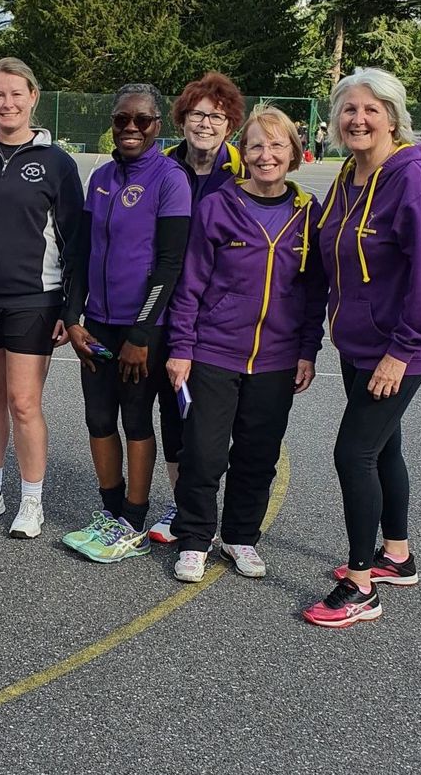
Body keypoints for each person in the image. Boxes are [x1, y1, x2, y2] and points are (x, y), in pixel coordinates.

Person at [303, 67, 421, 628]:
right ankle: (397, 555)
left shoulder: (413, 180)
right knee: (385, 448)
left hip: (399, 346)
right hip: (358, 340)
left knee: (354, 453)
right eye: (348, 110)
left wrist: (402, 351)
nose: (358, 119)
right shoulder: (348, 174)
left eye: (370, 109)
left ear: (393, 117)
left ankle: (362, 586)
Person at [164, 105, 327, 582]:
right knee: (203, 453)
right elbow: (190, 283)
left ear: (294, 153)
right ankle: (194, 538)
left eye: (277, 145)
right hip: (213, 352)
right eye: (256, 144)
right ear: (244, 152)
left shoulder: (306, 213)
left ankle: (240, 537)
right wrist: (180, 347)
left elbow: (314, 291)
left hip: (277, 360)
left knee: (258, 455)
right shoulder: (219, 205)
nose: (266, 154)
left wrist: (307, 350)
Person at [0, 57, 84, 538]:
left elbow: (76, 242)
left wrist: (70, 311)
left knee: (24, 402)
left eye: (15, 93)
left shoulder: (58, 163)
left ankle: (32, 500)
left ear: (33, 97)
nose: (6, 103)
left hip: (36, 299)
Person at [60, 84, 192, 562]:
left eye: (142, 120)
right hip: (95, 325)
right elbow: (81, 252)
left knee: (135, 419)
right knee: (98, 418)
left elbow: (169, 263)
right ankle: (111, 512)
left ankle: (134, 520)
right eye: (122, 120)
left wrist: (141, 333)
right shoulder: (102, 174)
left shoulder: (170, 179)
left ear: (159, 125)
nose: (131, 128)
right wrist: (71, 317)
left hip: (143, 330)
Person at [149, 71, 247, 544]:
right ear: (182, 118)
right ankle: (181, 504)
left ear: (230, 125)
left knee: (213, 425)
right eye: (196, 114)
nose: (205, 123)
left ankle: (216, 512)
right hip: (172, 311)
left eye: (216, 116)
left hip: (222, 318)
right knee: (175, 412)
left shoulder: (243, 171)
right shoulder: (165, 167)